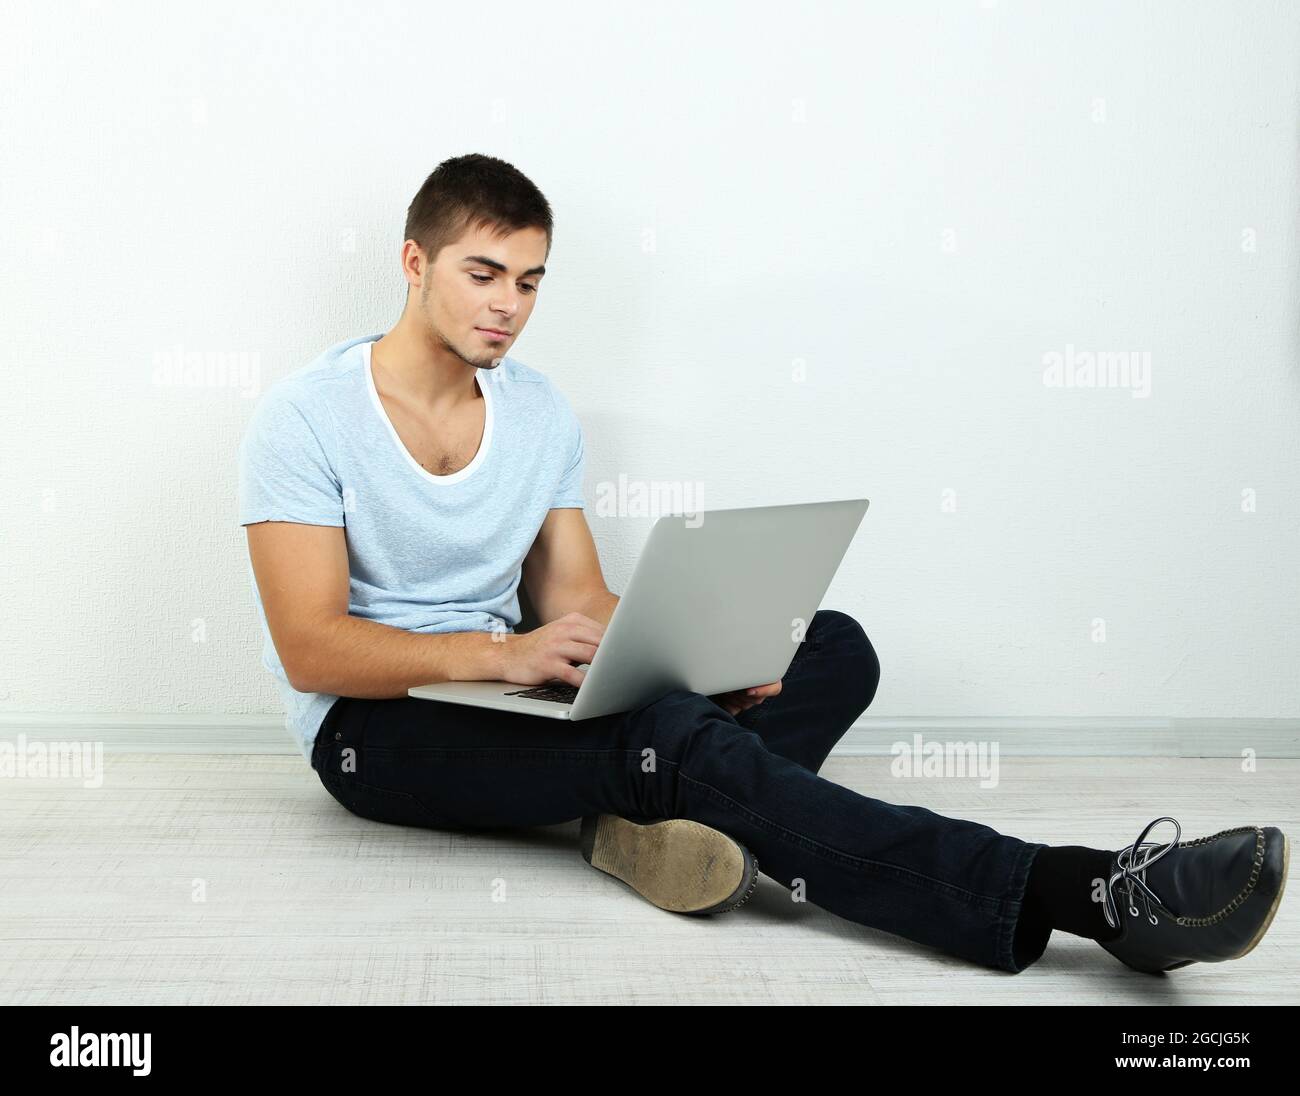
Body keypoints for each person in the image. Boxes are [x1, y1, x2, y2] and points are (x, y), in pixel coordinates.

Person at [238, 153, 1288, 975]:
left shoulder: (540, 413)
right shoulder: (308, 418)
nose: (507, 303)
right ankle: (1087, 893)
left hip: (512, 694)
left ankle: (645, 814)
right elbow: (311, 647)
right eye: (482, 273)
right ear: (415, 263)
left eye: (528, 280)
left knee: (825, 648)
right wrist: (506, 659)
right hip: (375, 734)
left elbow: (577, 601)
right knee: (665, 736)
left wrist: (693, 649)